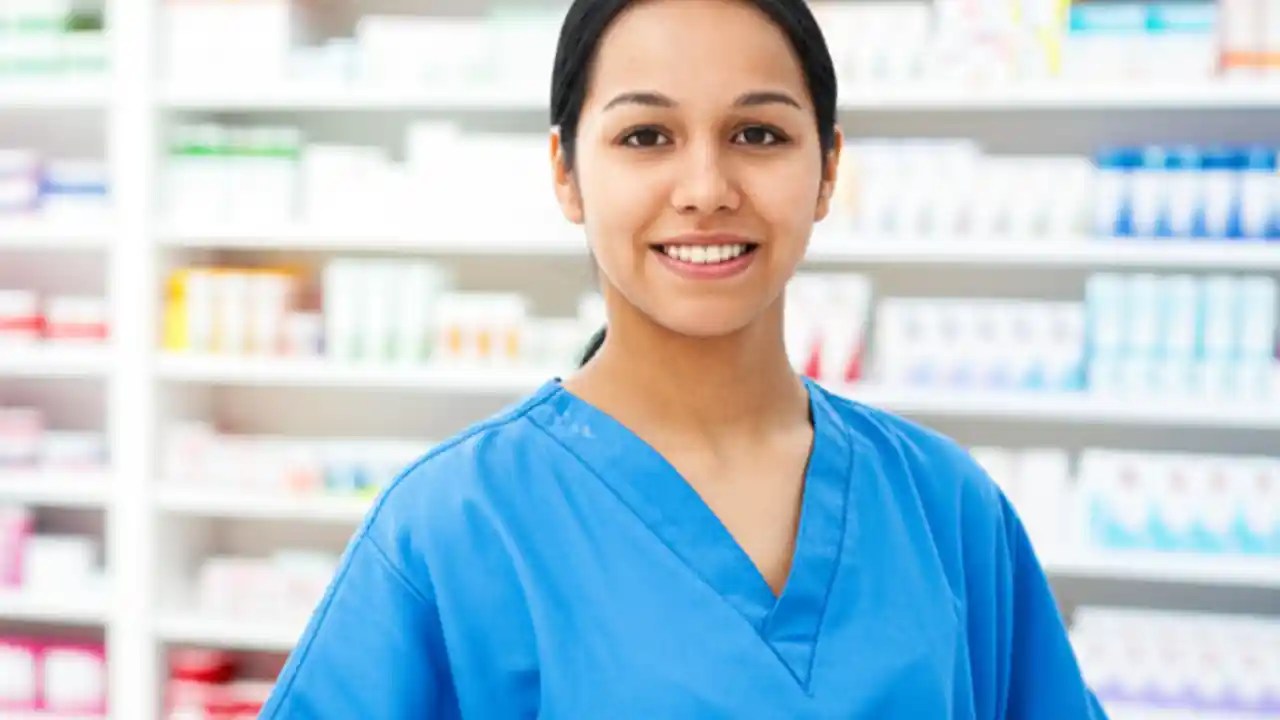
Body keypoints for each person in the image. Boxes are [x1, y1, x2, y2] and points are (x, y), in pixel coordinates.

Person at [261, 0, 1109, 716]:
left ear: (827, 170)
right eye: (645, 136)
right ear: (566, 172)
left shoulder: (943, 506)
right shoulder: (454, 529)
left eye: (757, 133)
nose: (705, 188)